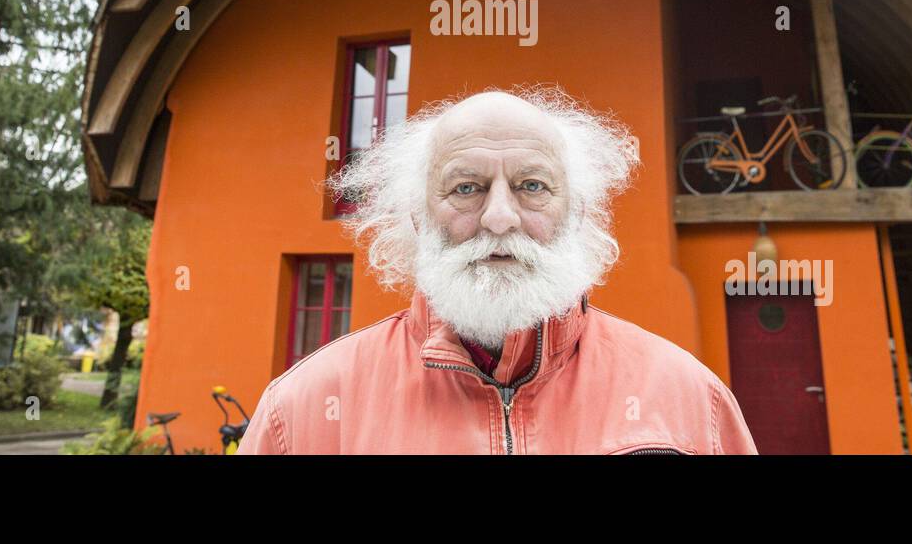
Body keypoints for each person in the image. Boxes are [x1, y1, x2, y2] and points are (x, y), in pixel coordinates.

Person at [237, 86, 757, 454]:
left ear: (574, 213)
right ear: (418, 216)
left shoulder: (689, 395)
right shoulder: (301, 410)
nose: (501, 217)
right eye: (467, 187)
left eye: (533, 186)